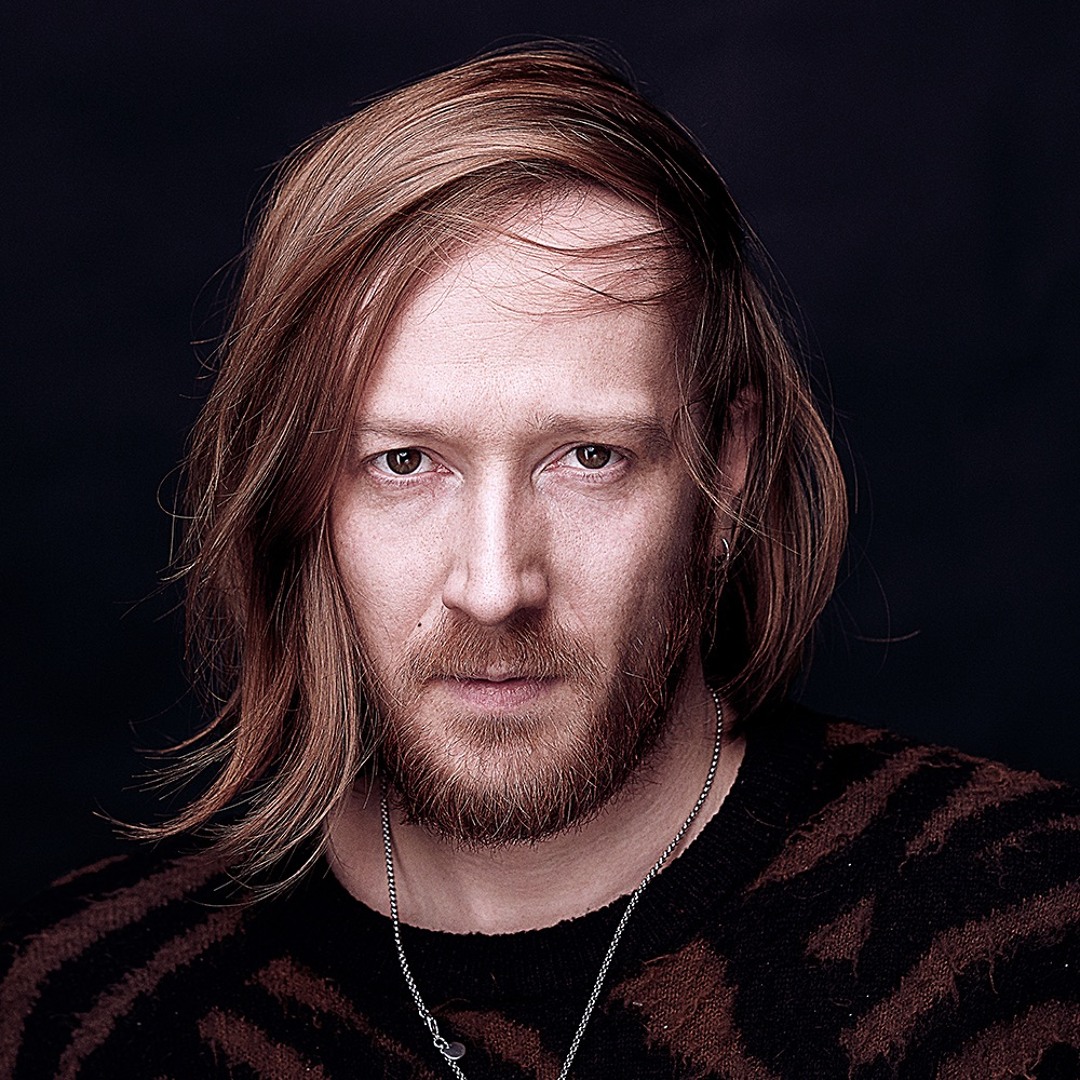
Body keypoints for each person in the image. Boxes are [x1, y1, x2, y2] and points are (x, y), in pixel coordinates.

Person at [2, 44, 1077, 1080]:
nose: (493, 586)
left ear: (727, 465)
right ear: (301, 492)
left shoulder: (1030, 937)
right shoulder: (70, 1011)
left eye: (588, 457)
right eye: (404, 462)